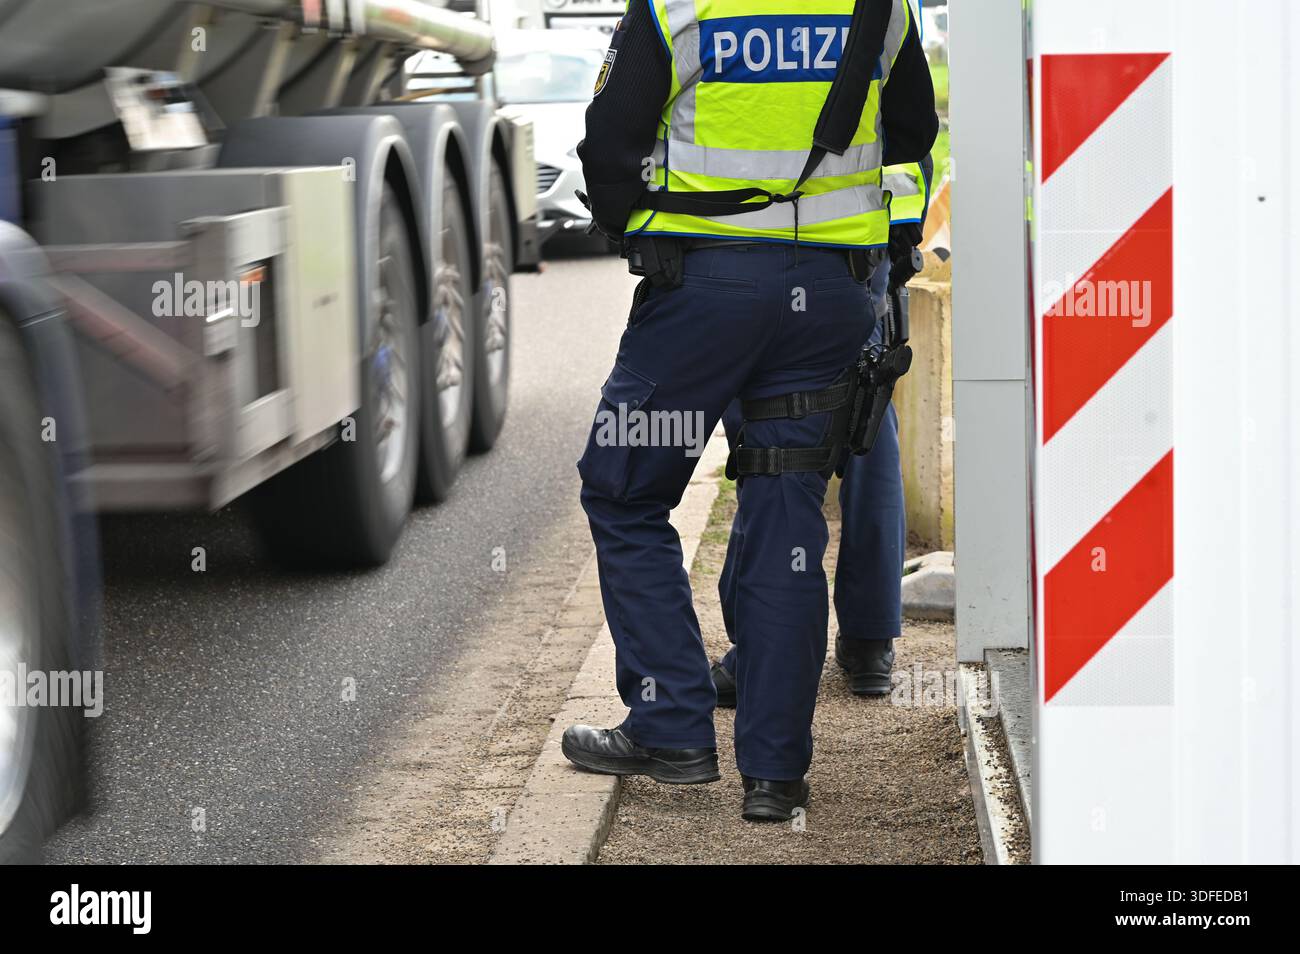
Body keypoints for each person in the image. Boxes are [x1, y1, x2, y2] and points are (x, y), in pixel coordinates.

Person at [561, 0, 937, 822]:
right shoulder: (885, 7)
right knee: (786, 514)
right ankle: (774, 778)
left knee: (625, 491)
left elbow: (609, 138)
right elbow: (911, 134)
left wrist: (638, 227)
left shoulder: (679, 5)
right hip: (834, 293)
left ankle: (670, 726)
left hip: (707, 290)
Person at [712, 157, 933, 705]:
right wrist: (896, 246)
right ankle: (867, 639)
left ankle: (759, 651)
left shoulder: (728, 67)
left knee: (769, 459)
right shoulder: (878, 65)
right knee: (867, 444)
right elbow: (908, 155)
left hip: (748, 266)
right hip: (853, 260)